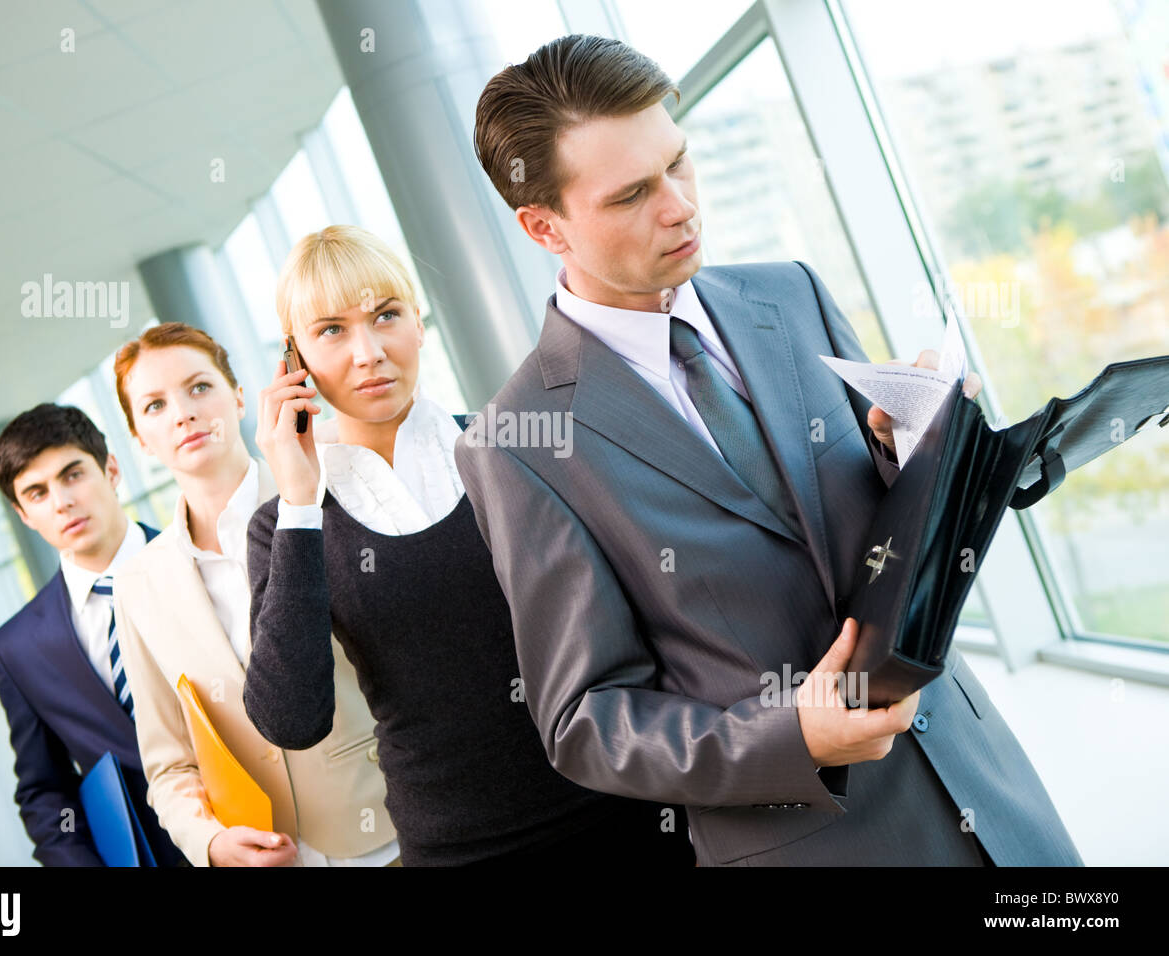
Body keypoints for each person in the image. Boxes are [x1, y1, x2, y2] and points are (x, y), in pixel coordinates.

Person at [457, 34, 1084, 866]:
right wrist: (793, 736)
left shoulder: (791, 294)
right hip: (809, 840)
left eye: (680, 164)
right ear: (544, 227)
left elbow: (888, 543)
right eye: (632, 194)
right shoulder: (519, 443)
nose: (679, 205)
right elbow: (587, 722)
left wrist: (917, 454)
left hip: (985, 789)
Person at [242, 224, 695, 866]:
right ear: (295, 362)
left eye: (385, 315)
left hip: (625, 809)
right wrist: (298, 502)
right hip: (458, 847)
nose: (368, 352)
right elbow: (291, 719)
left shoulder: (512, 443)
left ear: (419, 323)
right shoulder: (287, 523)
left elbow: (646, 613)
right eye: (332, 330)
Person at [108, 322, 396, 867]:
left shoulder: (330, 499)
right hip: (271, 853)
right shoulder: (139, 584)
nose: (183, 414)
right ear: (139, 440)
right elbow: (169, 763)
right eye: (154, 406)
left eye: (198, 388)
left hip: (392, 822)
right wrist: (209, 842)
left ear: (238, 397)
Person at [0, 403, 185, 866]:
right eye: (37, 493)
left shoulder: (200, 563)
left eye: (73, 475)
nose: (62, 502)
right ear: (23, 514)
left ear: (111, 469)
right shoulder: (18, 647)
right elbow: (45, 791)